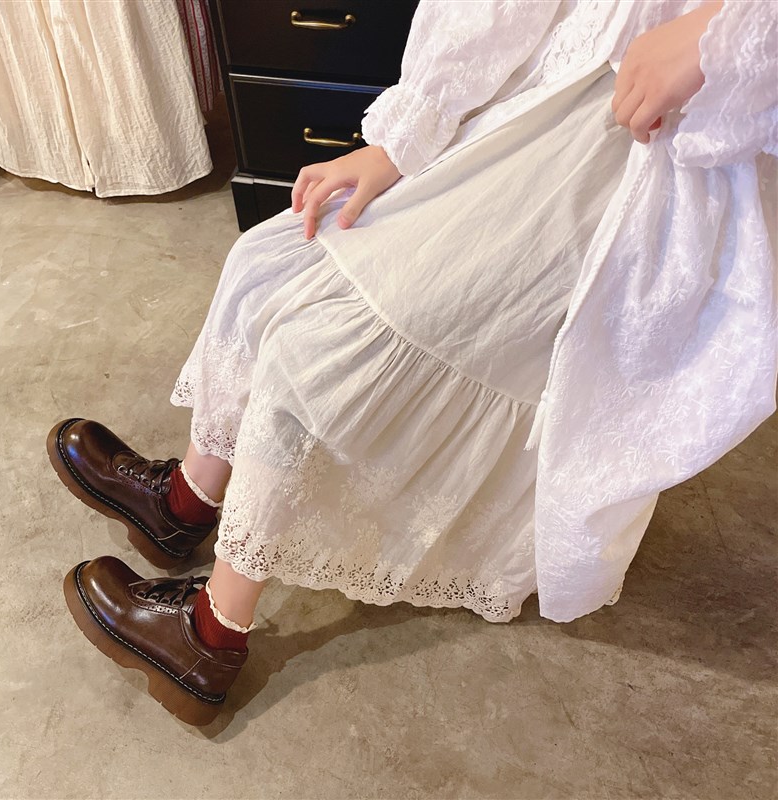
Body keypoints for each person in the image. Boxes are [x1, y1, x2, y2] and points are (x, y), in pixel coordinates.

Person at [47, 0, 777, 726]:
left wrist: (723, 36)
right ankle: (186, 503)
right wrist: (405, 136)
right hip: (552, 87)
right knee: (275, 262)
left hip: (666, 147)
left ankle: (210, 635)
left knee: (329, 347)